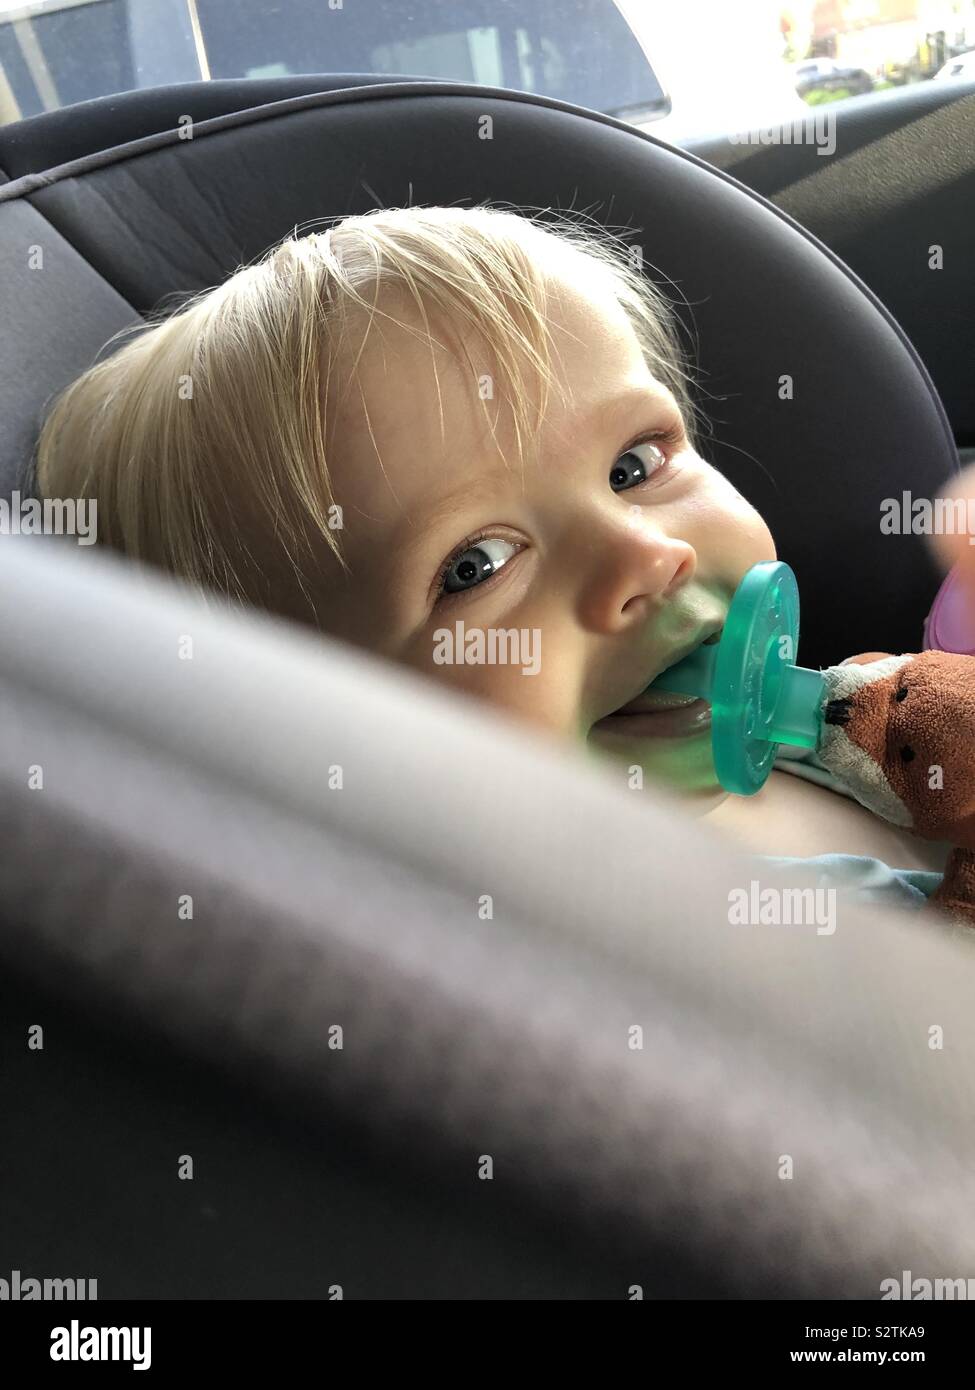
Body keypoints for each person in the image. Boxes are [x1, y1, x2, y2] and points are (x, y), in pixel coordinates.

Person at [33, 204, 952, 905]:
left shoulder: (847, 727)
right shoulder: (601, 972)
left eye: (633, 464)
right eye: (474, 565)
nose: (645, 555)